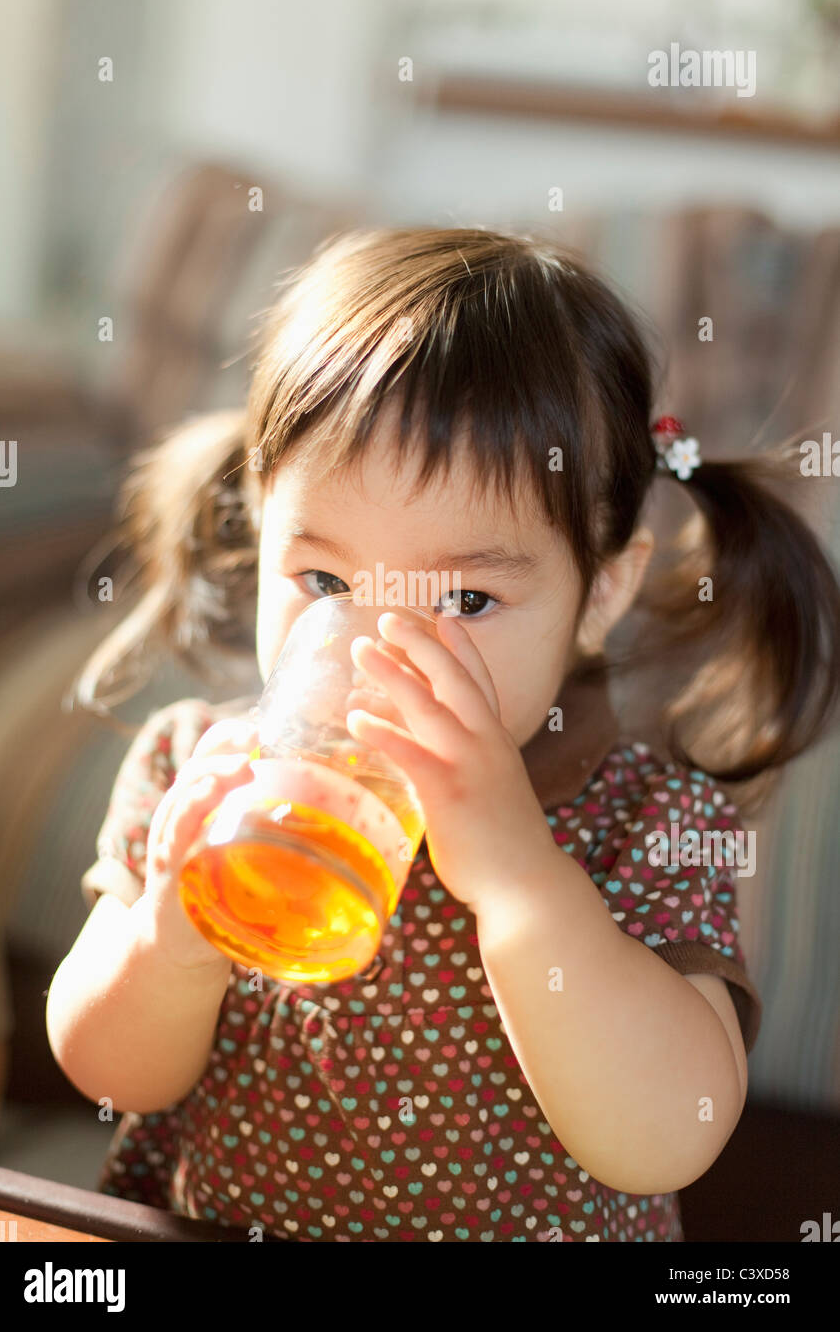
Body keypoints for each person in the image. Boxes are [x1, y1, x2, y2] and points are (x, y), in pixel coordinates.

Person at [46, 227, 840, 1241]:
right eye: (325, 582)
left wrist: (518, 875)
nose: (380, 649)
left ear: (599, 594)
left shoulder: (644, 818)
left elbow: (665, 1133)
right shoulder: (193, 766)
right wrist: (171, 933)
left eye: (463, 597)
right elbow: (106, 1072)